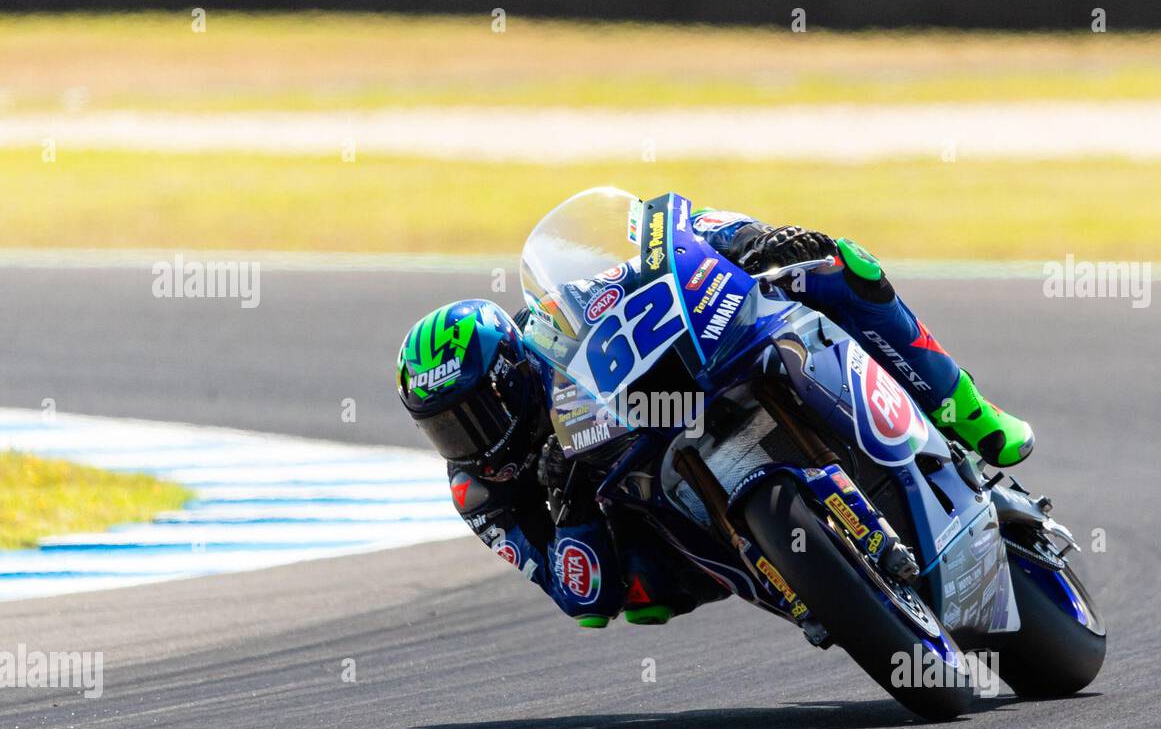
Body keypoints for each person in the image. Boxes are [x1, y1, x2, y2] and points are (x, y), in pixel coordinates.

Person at [395, 200, 1034, 628]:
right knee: (642, 592)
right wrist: (569, 506)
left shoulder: (554, 324)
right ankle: (807, 587)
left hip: (671, 394)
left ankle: (968, 412)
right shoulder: (479, 492)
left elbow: (662, 245)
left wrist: (746, 242)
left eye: (473, 418)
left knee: (839, 267)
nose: (464, 442)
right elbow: (583, 599)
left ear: (511, 377)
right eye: (442, 430)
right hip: (643, 508)